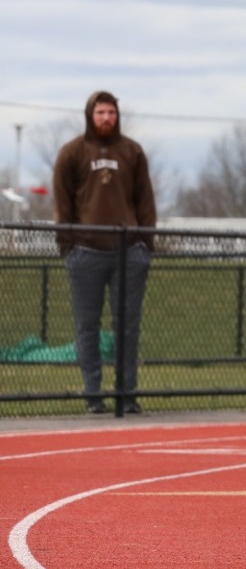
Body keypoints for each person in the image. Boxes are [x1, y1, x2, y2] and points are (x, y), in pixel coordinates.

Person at [52, 91, 156, 414]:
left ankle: (127, 393)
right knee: (87, 327)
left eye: (111, 112)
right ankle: (92, 395)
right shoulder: (72, 153)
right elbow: (62, 204)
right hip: (85, 253)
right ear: (90, 115)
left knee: (128, 326)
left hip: (128, 254)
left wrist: (145, 245)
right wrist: (68, 248)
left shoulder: (132, 152)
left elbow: (145, 202)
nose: (107, 118)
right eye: (100, 112)